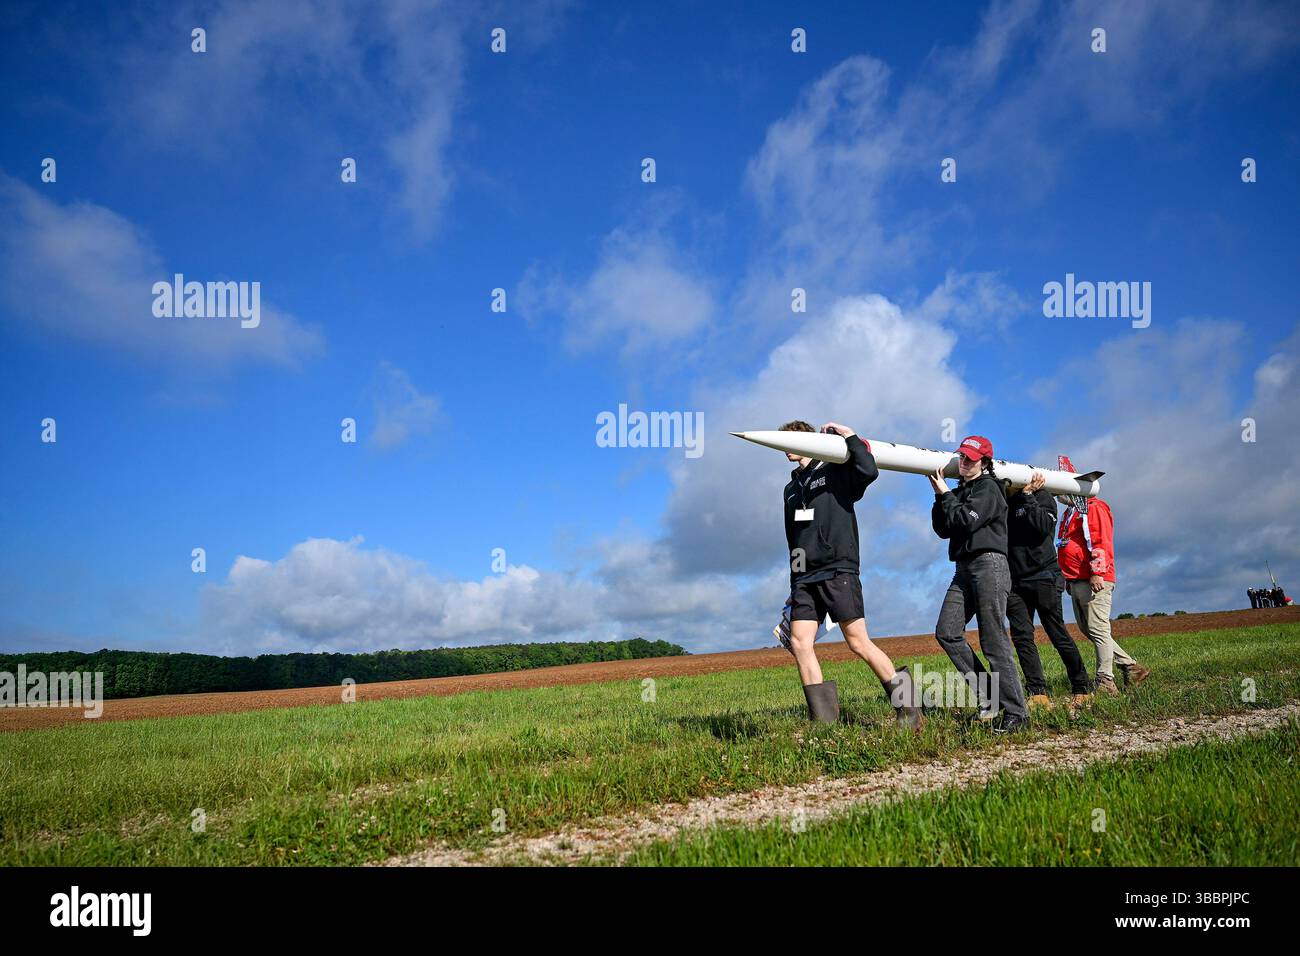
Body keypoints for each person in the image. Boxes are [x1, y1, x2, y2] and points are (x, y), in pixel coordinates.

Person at [777, 420, 922, 730]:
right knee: (800, 643)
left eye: (789, 439)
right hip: (804, 578)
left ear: (807, 441)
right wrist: (793, 584)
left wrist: (850, 435)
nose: (783, 446)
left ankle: (909, 710)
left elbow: (868, 470)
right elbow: (793, 538)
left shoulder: (834, 469)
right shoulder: (790, 490)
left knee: (858, 642)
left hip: (838, 568)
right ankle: (825, 722)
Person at [928, 435, 1028, 733]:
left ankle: (1017, 713)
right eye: (962, 456)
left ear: (984, 462)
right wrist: (939, 495)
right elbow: (944, 529)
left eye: (970, 458)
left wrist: (946, 494)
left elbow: (967, 522)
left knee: (993, 640)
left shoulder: (989, 489)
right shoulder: (961, 491)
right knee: (947, 632)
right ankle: (990, 697)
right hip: (963, 568)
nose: (964, 461)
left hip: (989, 565)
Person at [1054, 458, 1150, 694]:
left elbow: (1100, 541)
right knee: (1090, 630)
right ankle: (1130, 666)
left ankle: (1105, 680)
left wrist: (1097, 572)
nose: (1058, 495)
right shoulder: (1072, 513)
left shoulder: (1094, 508)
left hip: (1093, 579)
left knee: (1098, 628)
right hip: (1076, 579)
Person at [1004, 470, 1093, 710]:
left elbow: (1043, 527)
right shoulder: (1004, 502)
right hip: (1015, 581)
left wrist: (1028, 496)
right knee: (1022, 637)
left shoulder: (1043, 497)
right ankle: (1038, 693)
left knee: (1056, 633)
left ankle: (1082, 686)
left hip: (1044, 576)